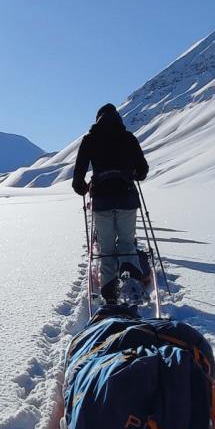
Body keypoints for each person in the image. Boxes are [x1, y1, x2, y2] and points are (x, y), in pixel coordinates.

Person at [72, 103, 149, 292]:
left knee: (106, 248)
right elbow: (143, 170)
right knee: (126, 243)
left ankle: (109, 292)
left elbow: (78, 175)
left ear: (98, 120)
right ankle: (132, 287)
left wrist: (82, 187)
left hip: (102, 199)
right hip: (127, 197)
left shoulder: (90, 139)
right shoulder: (128, 138)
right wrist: (133, 174)